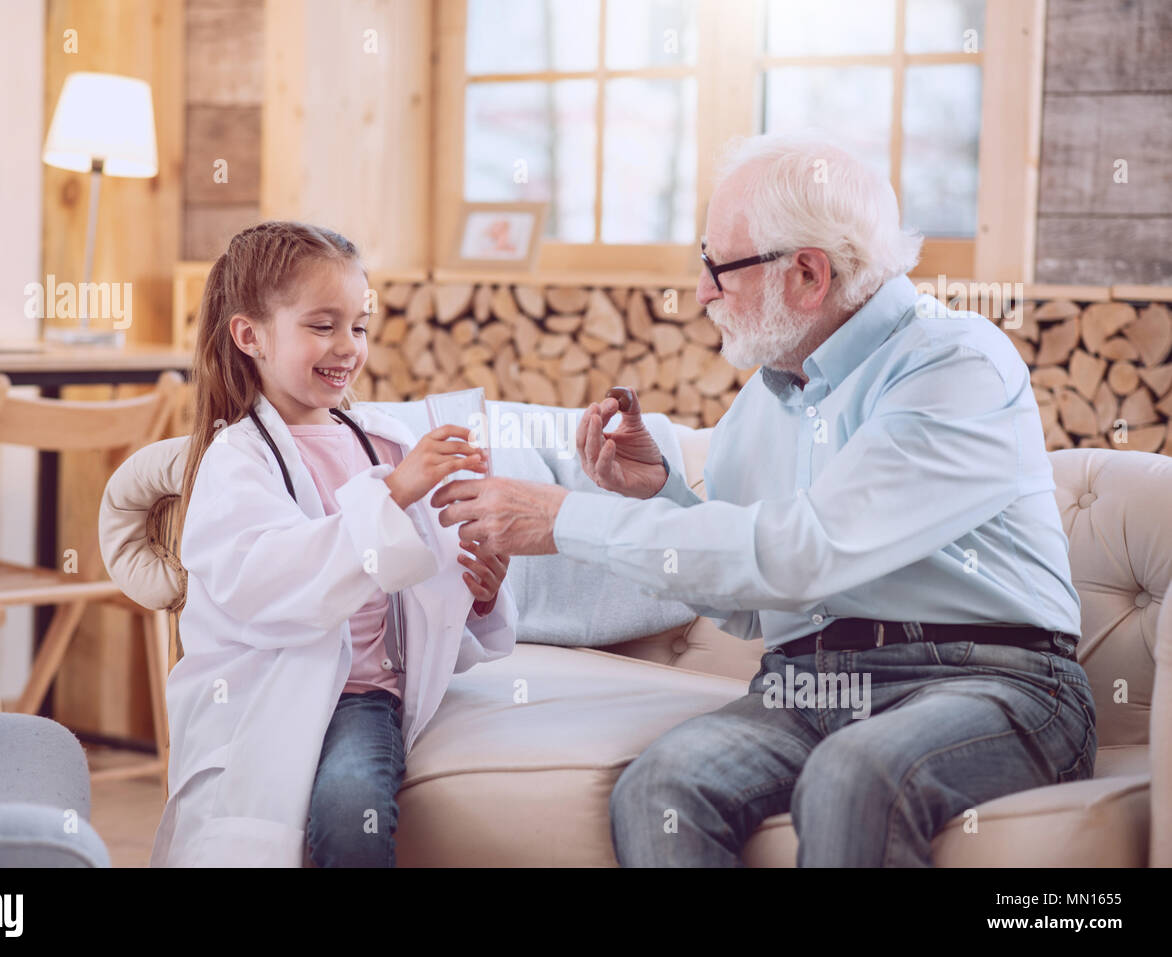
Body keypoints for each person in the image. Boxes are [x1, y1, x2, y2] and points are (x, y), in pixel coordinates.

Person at [430, 131, 1097, 866]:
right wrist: (661, 495)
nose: (701, 293)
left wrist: (563, 518)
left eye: (718, 267)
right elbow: (753, 604)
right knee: (662, 787)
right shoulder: (765, 400)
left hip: (989, 679)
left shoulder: (953, 362)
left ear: (808, 274)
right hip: (807, 685)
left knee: (855, 776)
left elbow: (800, 554)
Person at [152, 221, 517, 867]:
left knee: (352, 805)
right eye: (322, 325)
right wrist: (394, 493)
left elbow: (419, 597)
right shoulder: (236, 460)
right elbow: (270, 582)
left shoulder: (383, 440)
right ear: (250, 335)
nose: (347, 346)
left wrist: (479, 595)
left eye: (359, 325)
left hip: (363, 694)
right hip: (265, 691)